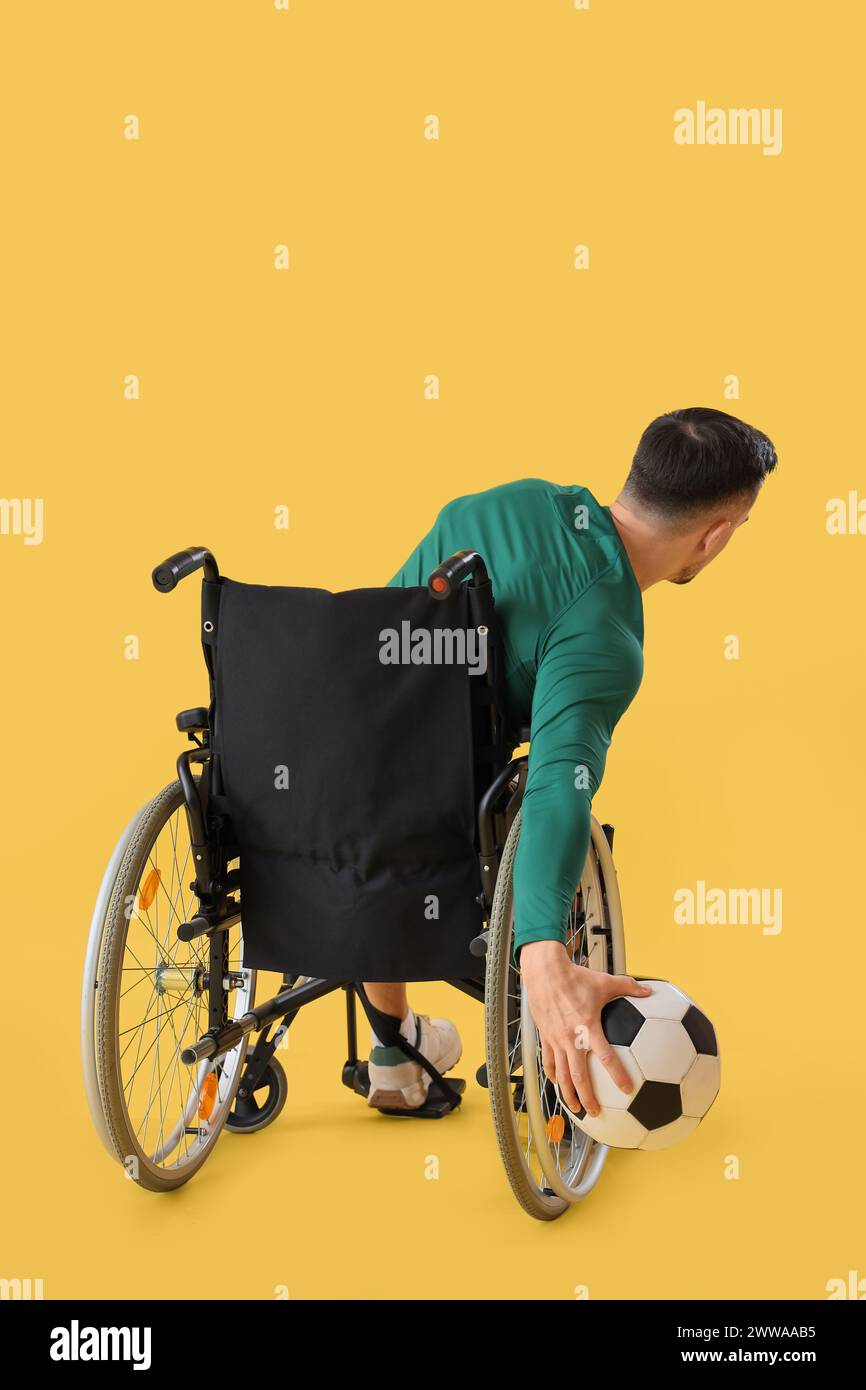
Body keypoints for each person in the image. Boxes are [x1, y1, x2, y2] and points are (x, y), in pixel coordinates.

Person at [364, 407, 777, 1114]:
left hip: (320, 772)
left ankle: (393, 1053)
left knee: (386, 756)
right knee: (510, 791)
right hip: (427, 815)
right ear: (713, 537)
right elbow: (558, 787)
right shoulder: (607, 635)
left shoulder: (512, 500)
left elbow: (384, 638)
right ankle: (443, 1044)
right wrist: (542, 948)